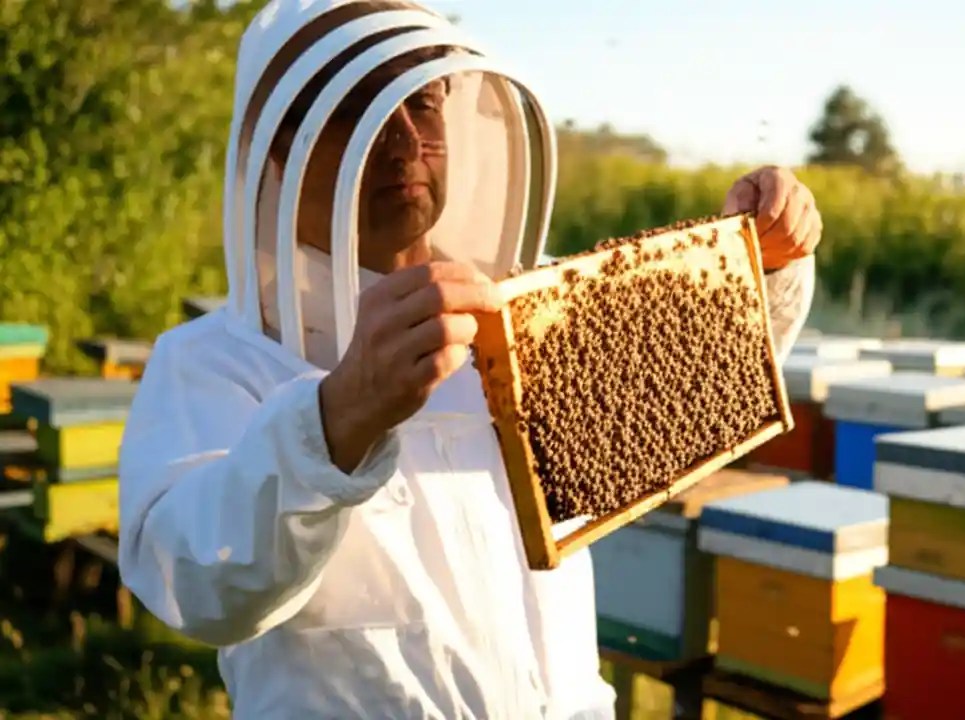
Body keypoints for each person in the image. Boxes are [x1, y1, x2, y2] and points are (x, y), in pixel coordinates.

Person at [117, 1, 822, 717]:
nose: (400, 140)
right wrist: (335, 419)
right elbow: (194, 585)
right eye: (353, 110)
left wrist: (763, 264)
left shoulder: (530, 309)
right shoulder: (215, 362)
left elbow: (679, 403)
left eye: (420, 102)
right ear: (280, 147)